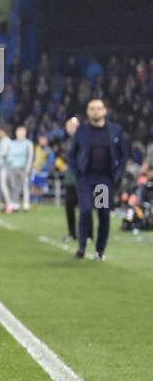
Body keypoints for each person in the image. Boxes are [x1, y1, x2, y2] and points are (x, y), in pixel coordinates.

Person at [70, 97, 128, 261]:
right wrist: (77, 172)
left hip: (103, 181)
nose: (95, 111)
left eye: (98, 108)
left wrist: (118, 173)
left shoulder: (114, 131)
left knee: (103, 213)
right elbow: (72, 154)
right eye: (92, 108)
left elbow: (124, 154)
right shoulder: (82, 131)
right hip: (87, 179)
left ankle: (100, 249)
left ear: (104, 111)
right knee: (86, 210)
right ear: (88, 112)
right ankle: (81, 247)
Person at [6, 126, 34, 213]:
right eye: (18, 132)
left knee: (25, 186)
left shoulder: (28, 143)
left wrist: (28, 168)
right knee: (14, 187)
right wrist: (8, 166)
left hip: (23, 168)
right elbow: (9, 156)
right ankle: (15, 205)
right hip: (13, 168)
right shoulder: (12, 143)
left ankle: (26, 205)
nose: (19, 134)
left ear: (25, 133)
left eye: (21, 132)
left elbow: (30, 157)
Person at [61, 116, 79, 242]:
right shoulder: (68, 142)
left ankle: (87, 234)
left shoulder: (83, 141)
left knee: (85, 208)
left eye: (72, 126)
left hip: (81, 180)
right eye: (68, 127)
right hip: (70, 179)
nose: (70, 129)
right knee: (69, 206)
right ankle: (72, 233)